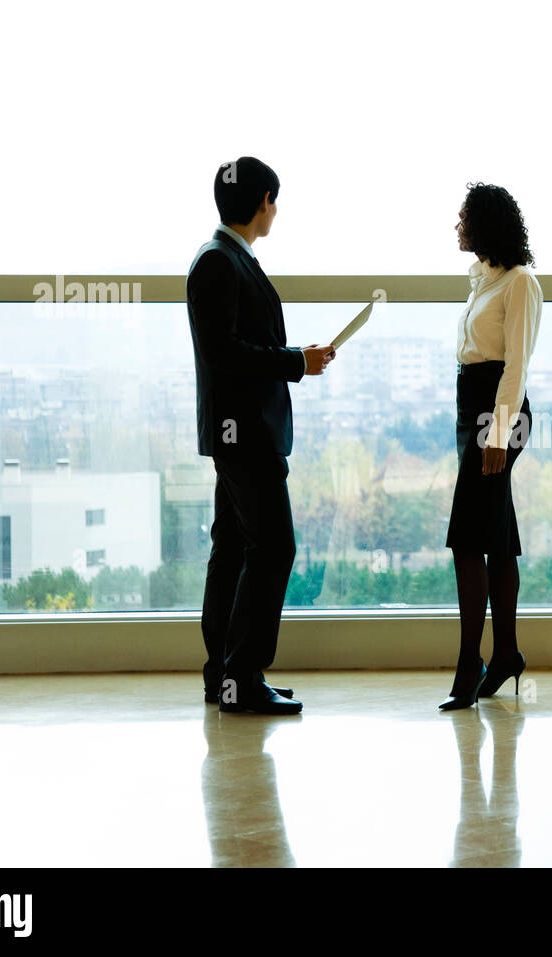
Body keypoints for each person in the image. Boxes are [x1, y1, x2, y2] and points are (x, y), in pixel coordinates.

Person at [186, 156, 336, 715]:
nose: (276, 211)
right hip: (244, 434)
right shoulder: (219, 264)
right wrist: (297, 361)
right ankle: (243, 678)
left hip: (241, 432)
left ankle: (224, 676)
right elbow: (224, 353)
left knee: (232, 551)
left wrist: (297, 359)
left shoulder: (227, 258)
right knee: (274, 547)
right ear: (263, 202)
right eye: (275, 201)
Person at [439, 183, 542, 710]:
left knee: (465, 538)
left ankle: (470, 661)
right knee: (494, 534)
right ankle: (505, 655)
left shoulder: (520, 283)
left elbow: (516, 366)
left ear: (485, 224)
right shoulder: (483, 279)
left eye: (463, 219)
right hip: (473, 410)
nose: (457, 227)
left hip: (499, 415)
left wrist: (497, 435)